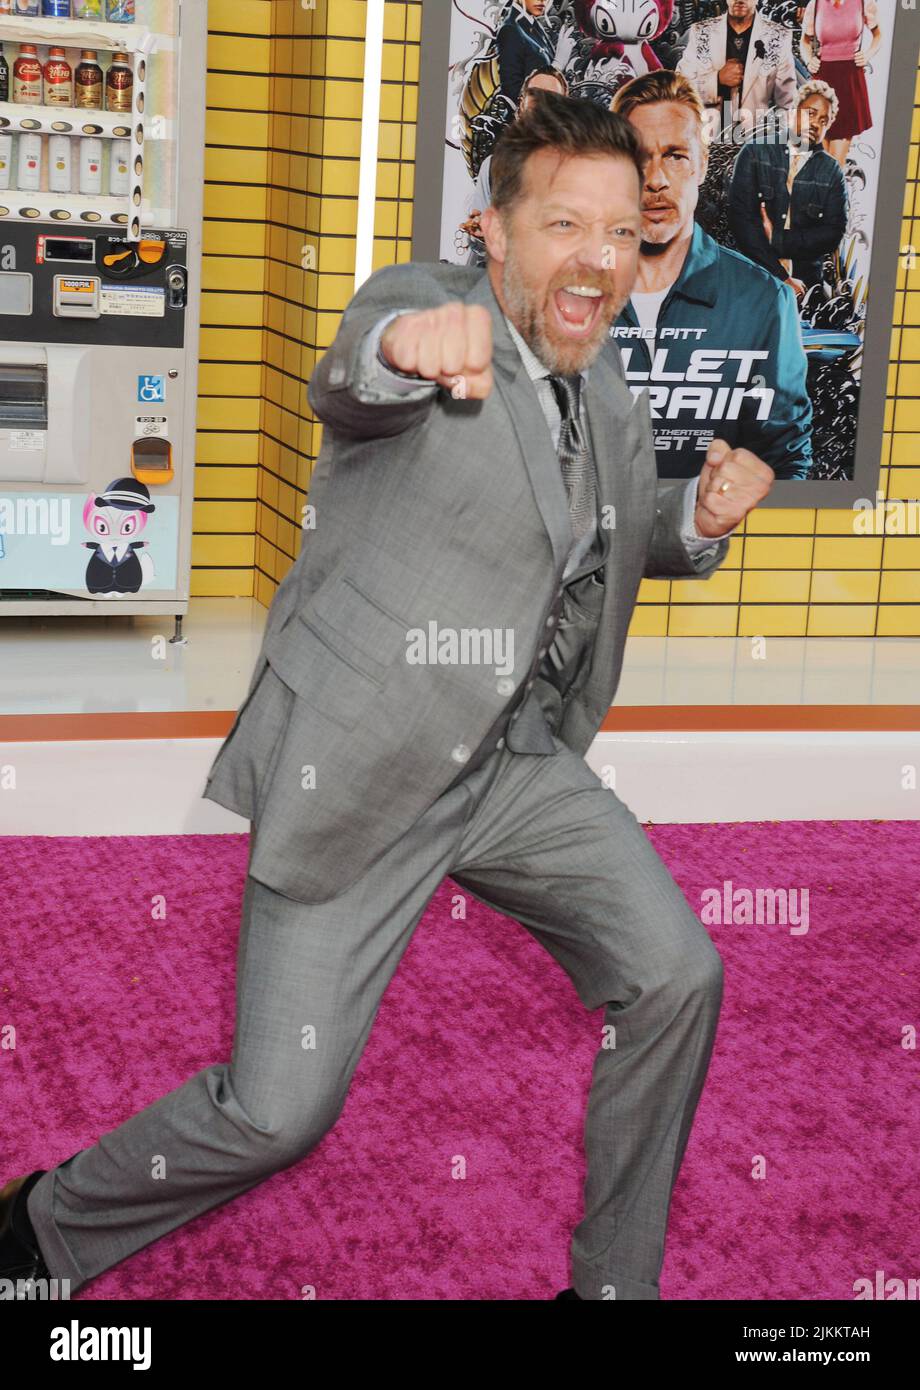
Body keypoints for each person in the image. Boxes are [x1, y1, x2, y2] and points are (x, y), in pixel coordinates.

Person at [1, 94, 775, 1304]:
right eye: (562, 222)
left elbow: (609, 534)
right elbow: (355, 373)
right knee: (275, 1113)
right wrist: (404, 357)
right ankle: (42, 1230)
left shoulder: (607, 377)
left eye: (619, 233)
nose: (595, 256)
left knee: (677, 973)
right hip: (369, 767)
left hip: (514, 763)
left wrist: (697, 521)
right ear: (493, 231)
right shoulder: (425, 306)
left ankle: (610, 1289)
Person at [610, 68, 813, 480]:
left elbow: (784, 459)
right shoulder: (561, 294)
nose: (655, 180)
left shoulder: (764, 301)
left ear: (701, 167)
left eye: (675, 155)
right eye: (636, 158)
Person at [728, 80, 848, 295]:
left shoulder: (831, 172)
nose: (815, 124)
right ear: (793, 111)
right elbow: (743, 223)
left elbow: (832, 234)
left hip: (807, 289)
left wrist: (777, 239)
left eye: (824, 121)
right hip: (753, 277)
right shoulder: (755, 153)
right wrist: (781, 277)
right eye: (810, 114)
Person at [460, 65, 569, 264]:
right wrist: (480, 236)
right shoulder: (493, 168)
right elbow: (479, 254)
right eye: (535, 96)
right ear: (521, 104)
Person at [677, 0, 797, 136]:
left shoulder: (779, 37)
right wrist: (716, 80)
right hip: (708, 141)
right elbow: (679, 88)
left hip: (755, 143)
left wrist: (775, 147)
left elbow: (787, 104)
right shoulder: (701, 32)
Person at [800, 0, 882, 169]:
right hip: (823, 82)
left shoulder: (863, 2)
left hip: (849, 81)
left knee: (836, 161)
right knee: (821, 158)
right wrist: (809, 60)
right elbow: (805, 41)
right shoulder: (815, 5)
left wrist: (867, 55)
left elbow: (878, 35)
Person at [497, 0, 558, 107]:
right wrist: (558, 65)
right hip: (529, 119)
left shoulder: (533, 23)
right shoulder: (510, 30)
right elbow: (513, 93)